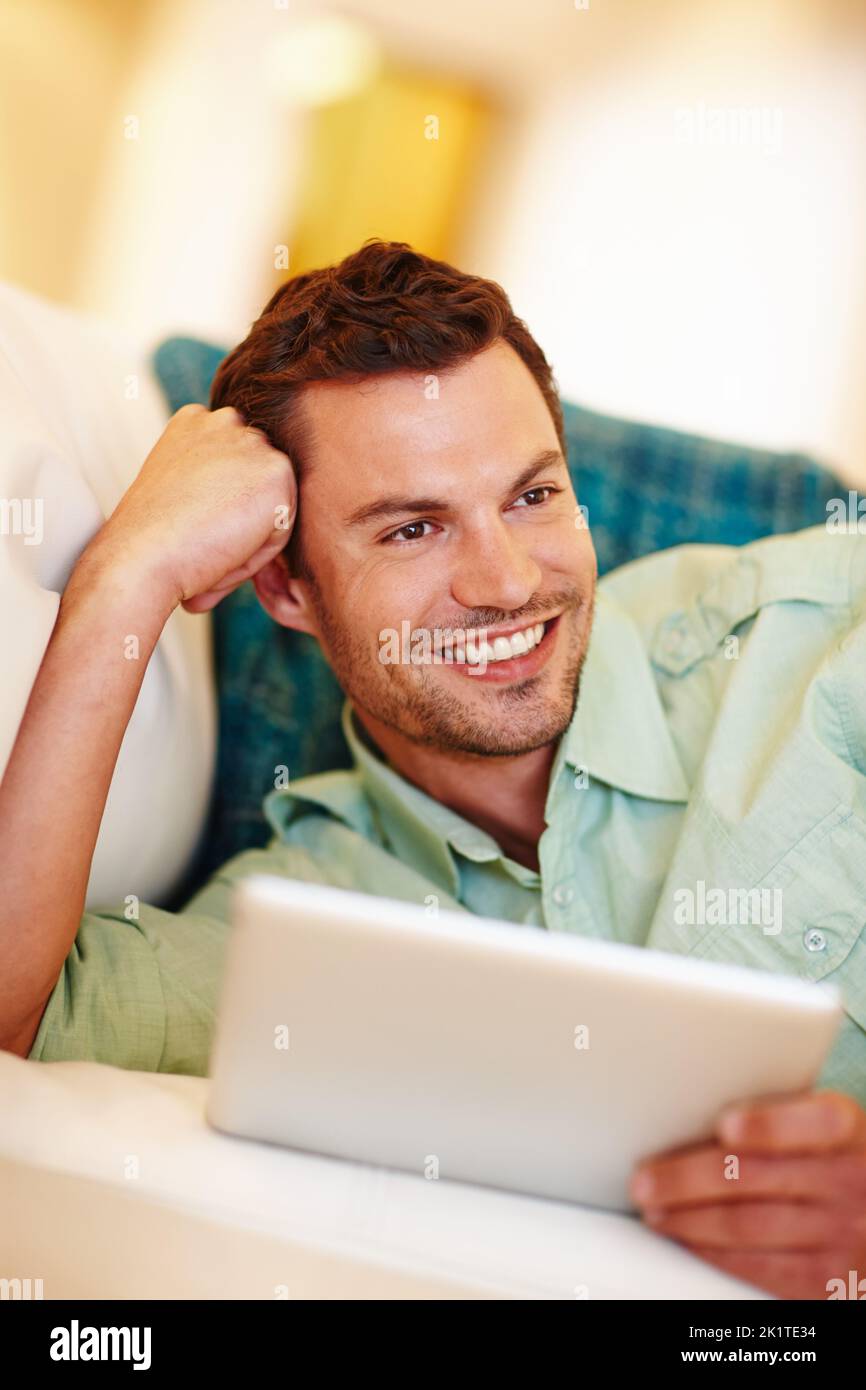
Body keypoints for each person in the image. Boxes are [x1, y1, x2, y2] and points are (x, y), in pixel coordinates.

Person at [1, 240, 865, 1299]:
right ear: (284, 590)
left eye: (532, 497)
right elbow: (11, 1019)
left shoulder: (827, 637)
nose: (506, 583)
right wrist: (124, 578)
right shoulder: (307, 910)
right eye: (413, 527)